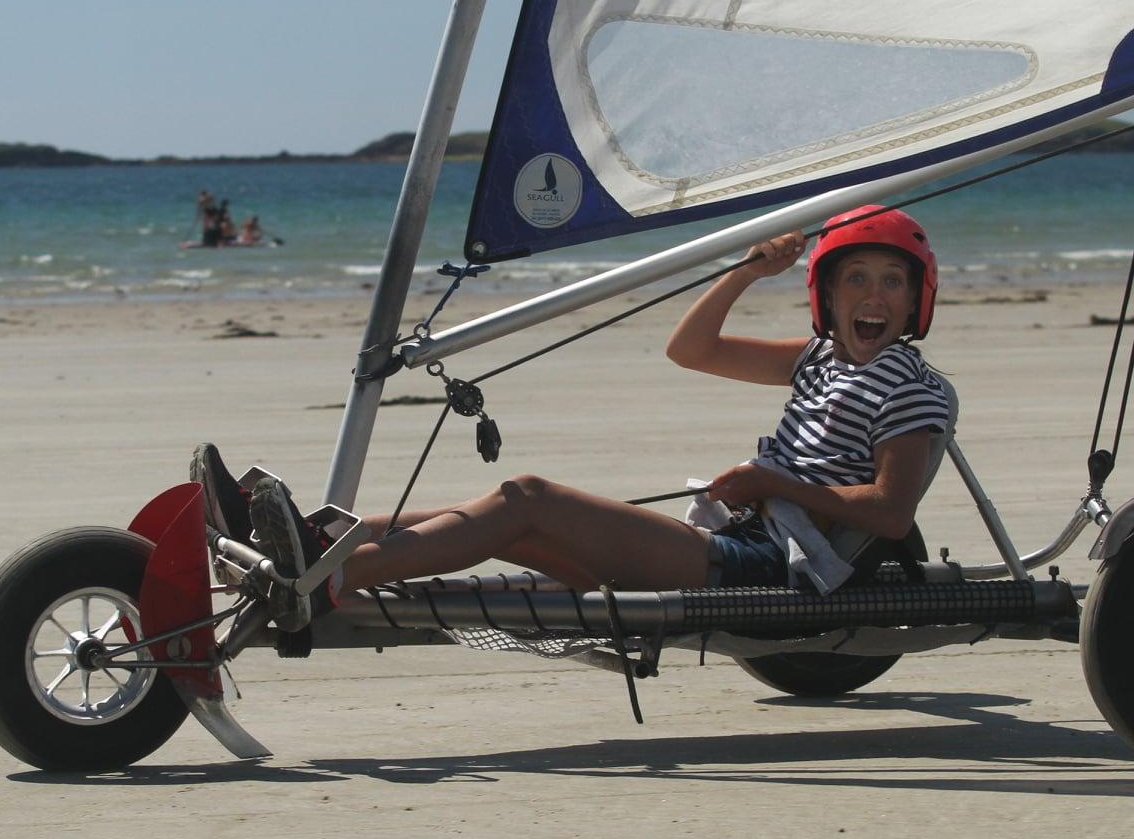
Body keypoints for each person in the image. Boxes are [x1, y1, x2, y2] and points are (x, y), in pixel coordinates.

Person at [196, 204, 951, 619]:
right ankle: (303, 538)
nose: (874, 297)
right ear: (826, 295)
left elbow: (888, 513)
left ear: (918, 298)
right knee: (496, 511)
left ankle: (330, 578)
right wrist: (750, 271)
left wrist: (769, 485)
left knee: (528, 496)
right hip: (737, 536)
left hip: (774, 567)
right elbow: (691, 349)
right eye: (855, 281)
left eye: (892, 282)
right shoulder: (815, 357)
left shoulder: (909, 388)